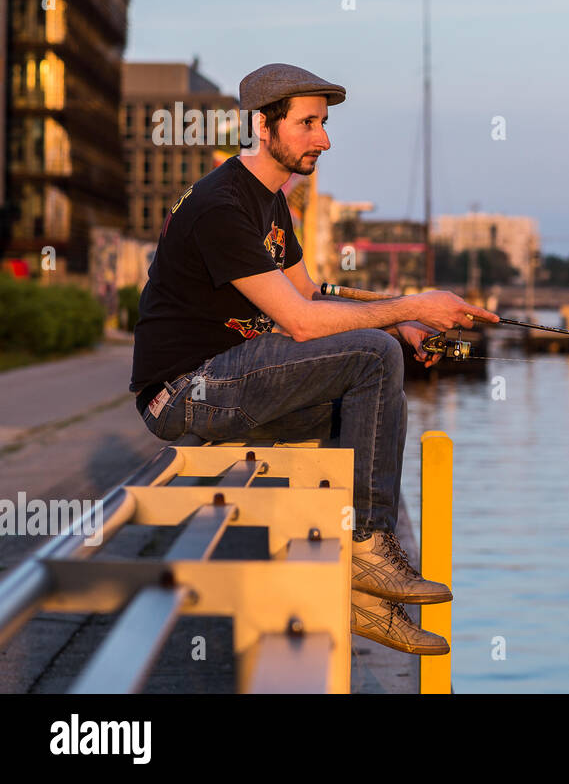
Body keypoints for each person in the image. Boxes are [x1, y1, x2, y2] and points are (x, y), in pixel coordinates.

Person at [129, 63, 498, 655]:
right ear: (262, 125)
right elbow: (300, 324)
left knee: (368, 404)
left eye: (323, 124)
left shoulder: (272, 204)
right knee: (373, 358)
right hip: (185, 392)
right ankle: (370, 548)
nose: (322, 139)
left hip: (235, 381)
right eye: (307, 124)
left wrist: (404, 322)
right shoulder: (221, 205)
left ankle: (361, 599)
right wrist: (413, 306)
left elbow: (306, 299)